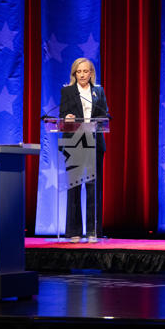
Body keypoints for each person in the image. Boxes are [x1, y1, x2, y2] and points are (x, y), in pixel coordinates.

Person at [59, 57, 110, 242]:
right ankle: (74, 231)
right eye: (79, 71)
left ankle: (92, 231)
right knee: (74, 188)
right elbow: (62, 115)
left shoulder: (98, 91)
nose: (82, 75)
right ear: (74, 73)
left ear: (91, 73)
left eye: (85, 71)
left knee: (93, 188)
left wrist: (102, 120)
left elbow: (104, 115)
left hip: (94, 142)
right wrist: (67, 117)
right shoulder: (67, 91)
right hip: (74, 142)